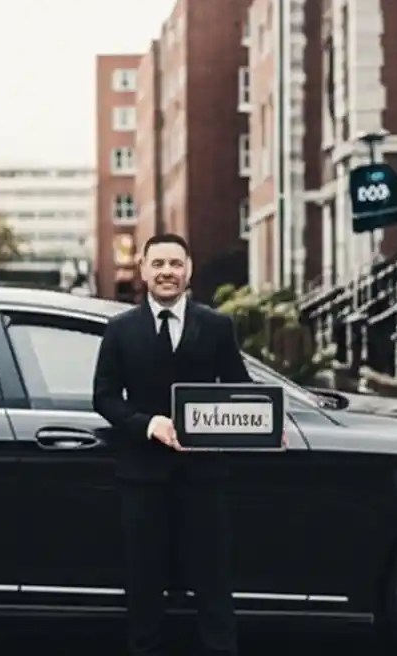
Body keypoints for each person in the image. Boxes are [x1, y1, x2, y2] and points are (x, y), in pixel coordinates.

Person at [91, 233, 251, 656]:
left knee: (214, 584)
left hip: (204, 478)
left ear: (189, 269)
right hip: (142, 478)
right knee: (145, 586)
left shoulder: (217, 326)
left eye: (175, 264)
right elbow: (104, 397)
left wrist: (262, 425)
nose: (167, 272)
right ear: (143, 270)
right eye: (158, 264)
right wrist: (147, 424)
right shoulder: (120, 330)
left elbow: (240, 390)